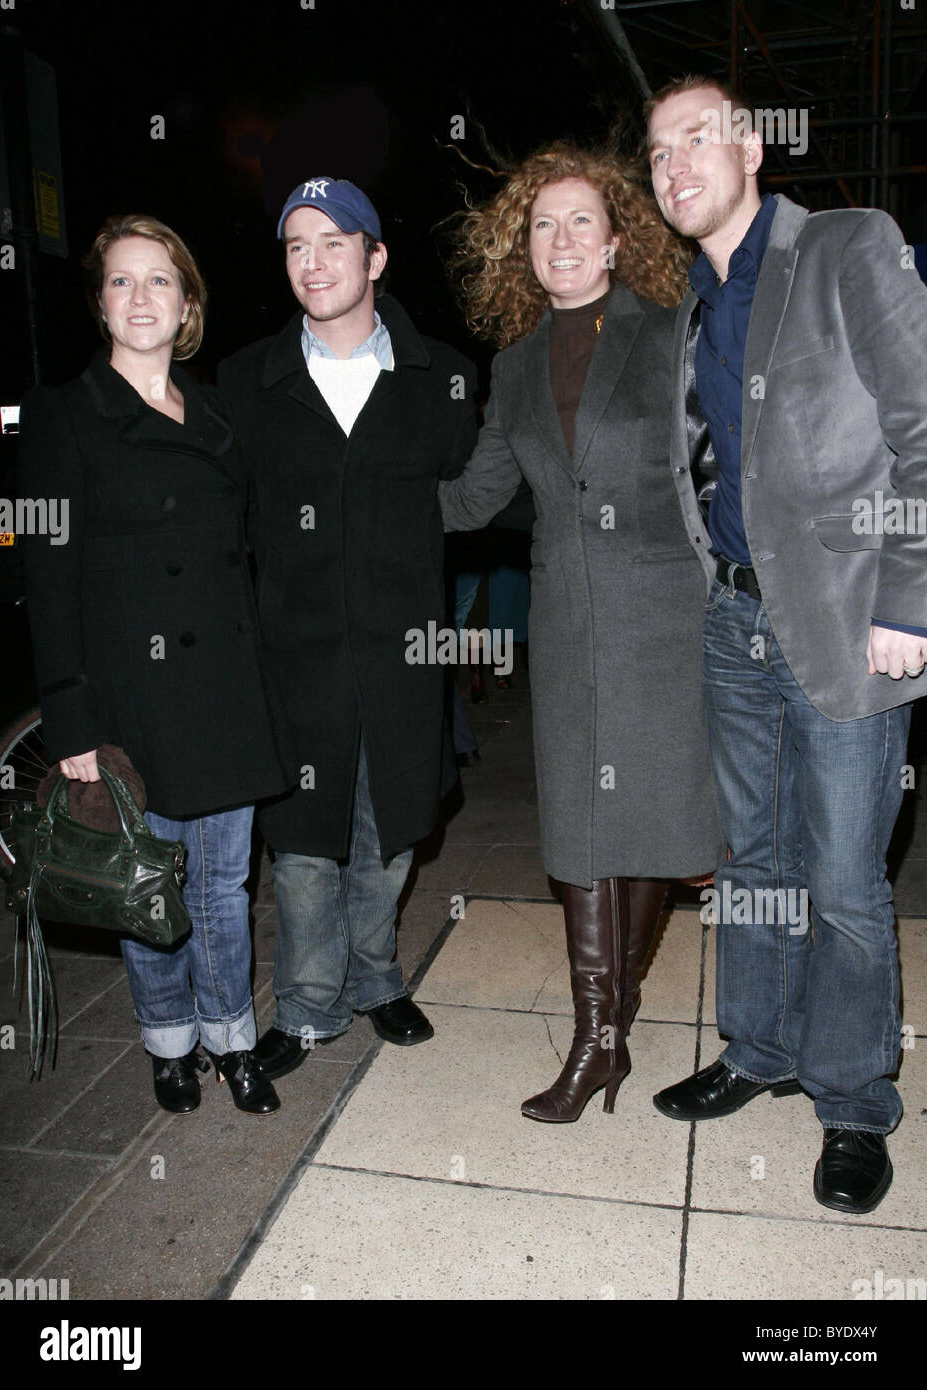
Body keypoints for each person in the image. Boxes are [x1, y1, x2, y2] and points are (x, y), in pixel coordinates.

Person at [645, 75, 927, 1213]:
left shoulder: (846, 247)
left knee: (844, 878)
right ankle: (759, 1046)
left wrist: (909, 599)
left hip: (851, 619)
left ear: (752, 148)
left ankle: (853, 1100)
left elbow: (922, 427)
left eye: (695, 139)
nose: (674, 165)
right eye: (657, 151)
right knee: (751, 861)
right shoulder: (691, 305)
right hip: (732, 621)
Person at [438, 142, 723, 1122]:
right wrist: (361, 497)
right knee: (581, 827)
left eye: (580, 222)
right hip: (565, 622)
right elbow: (473, 499)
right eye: (542, 225)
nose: (560, 239)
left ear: (614, 242)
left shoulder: (671, 333)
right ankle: (599, 1038)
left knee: (646, 825)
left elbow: (718, 469)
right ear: (523, 247)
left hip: (665, 617)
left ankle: (612, 1019)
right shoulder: (514, 366)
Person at [18, 215, 291, 1116]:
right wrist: (71, 719)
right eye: (122, 281)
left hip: (226, 692)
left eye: (160, 281)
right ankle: (169, 1044)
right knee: (148, 881)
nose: (141, 297)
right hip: (132, 697)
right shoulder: (63, 414)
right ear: (100, 305)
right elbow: (48, 580)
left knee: (223, 884)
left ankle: (232, 1040)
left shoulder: (217, 412)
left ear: (187, 305)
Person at [217, 178, 478, 1079]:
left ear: (375, 258)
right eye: (296, 245)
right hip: (293, 664)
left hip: (403, 658)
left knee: (389, 835)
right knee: (300, 850)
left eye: (334, 242)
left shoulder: (441, 377)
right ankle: (306, 1005)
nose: (313, 261)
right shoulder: (245, 381)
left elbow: (481, 494)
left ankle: (376, 980)